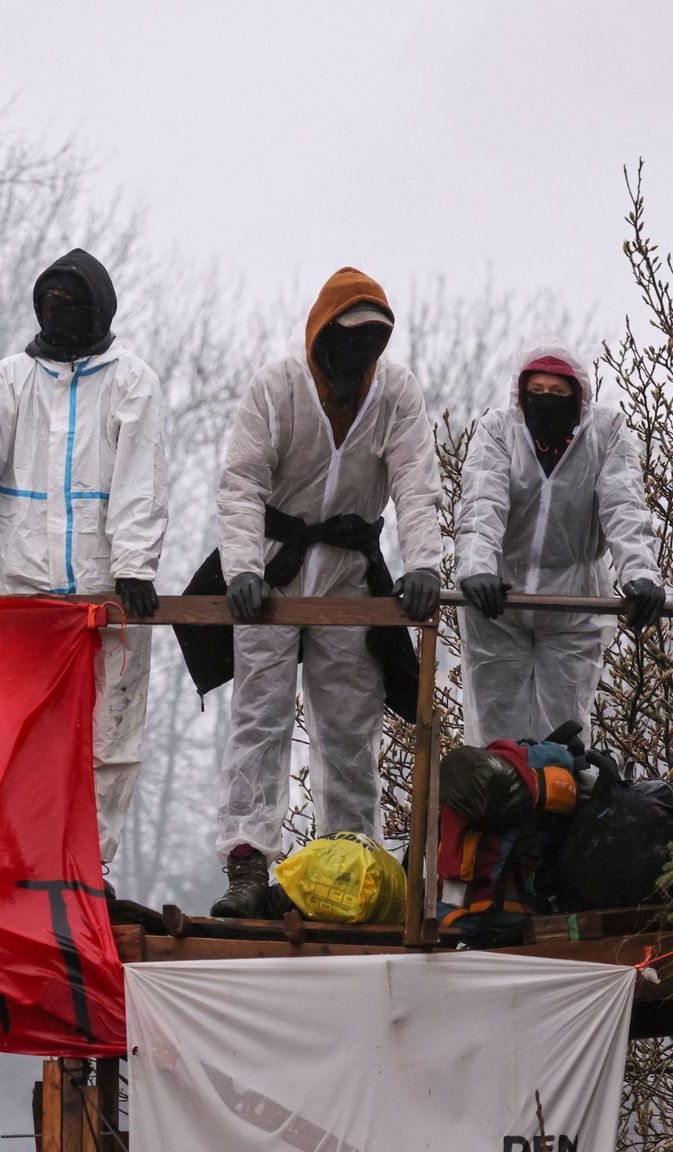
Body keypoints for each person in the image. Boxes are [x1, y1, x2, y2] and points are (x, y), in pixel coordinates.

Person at [212, 267, 443, 919]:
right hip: (275, 581)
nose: (360, 356)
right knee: (258, 720)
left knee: (349, 730)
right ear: (320, 338)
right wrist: (243, 571)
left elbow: (417, 485)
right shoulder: (277, 388)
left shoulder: (396, 393)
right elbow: (241, 485)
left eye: (374, 342)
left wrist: (423, 565)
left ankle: (346, 873)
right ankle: (247, 864)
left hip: (348, 583)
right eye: (348, 340)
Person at [0, 247, 169, 869]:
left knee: (108, 739)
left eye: (72, 301)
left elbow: (141, 480)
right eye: (50, 300)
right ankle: (19, 862)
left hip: (104, 598)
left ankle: (90, 869)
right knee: (15, 733)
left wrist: (136, 567)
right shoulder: (9, 381)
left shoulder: (130, 381)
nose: (58, 311)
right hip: (20, 597)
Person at [454, 337, 663, 747]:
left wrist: (639, 573)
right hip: (499, 601)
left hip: (574, 605)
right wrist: (477, 568)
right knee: (496, 740)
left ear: (578, 396)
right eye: (536, 393)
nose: (546, 401)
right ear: (521, 394)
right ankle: (498, 809)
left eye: (558, 393)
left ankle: (557, 806)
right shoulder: (498, 432)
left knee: (564, 736)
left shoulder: (604, 434)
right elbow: (482, 501)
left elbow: (624, 503)